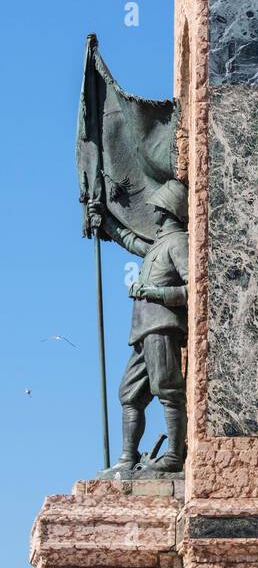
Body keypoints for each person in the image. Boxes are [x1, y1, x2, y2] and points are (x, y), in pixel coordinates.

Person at [90, 180, 189, 474]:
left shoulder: (178, 242)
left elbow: (193, 287)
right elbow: (133, 242)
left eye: (156, 208)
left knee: (167, 389)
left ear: (166, 210)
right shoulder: (160, 243)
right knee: (129, 393)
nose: (153, 212)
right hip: (143, 331)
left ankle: (173, 454)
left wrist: (154, 293)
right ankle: (127, 458)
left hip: (161, 326)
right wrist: (105, 220)